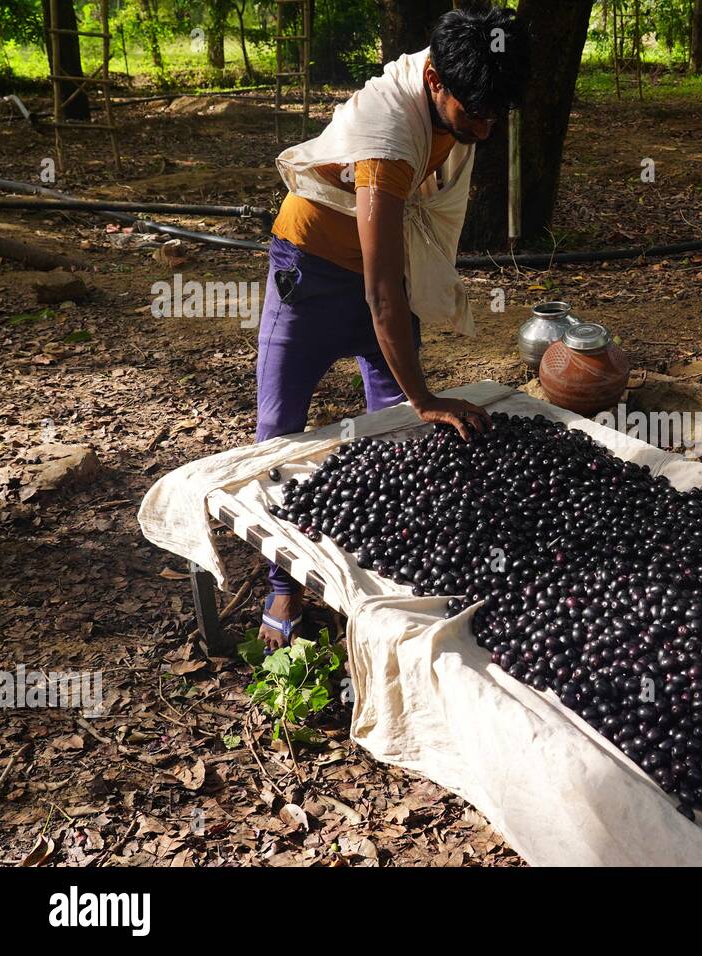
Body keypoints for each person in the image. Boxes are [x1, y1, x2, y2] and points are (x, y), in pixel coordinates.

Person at [255, 4, 530, 648]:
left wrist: (418, 406)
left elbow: (390, 282)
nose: (484, 131)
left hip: (386, 275)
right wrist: (426, 394)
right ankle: (282, 583)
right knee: (279, 430)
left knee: (406, 437)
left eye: (496, 116)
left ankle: (394, 570)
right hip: (313, 272)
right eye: (475, 114)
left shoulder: (455, 99)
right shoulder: (386, 131)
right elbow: (381, 294)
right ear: (435, 82)